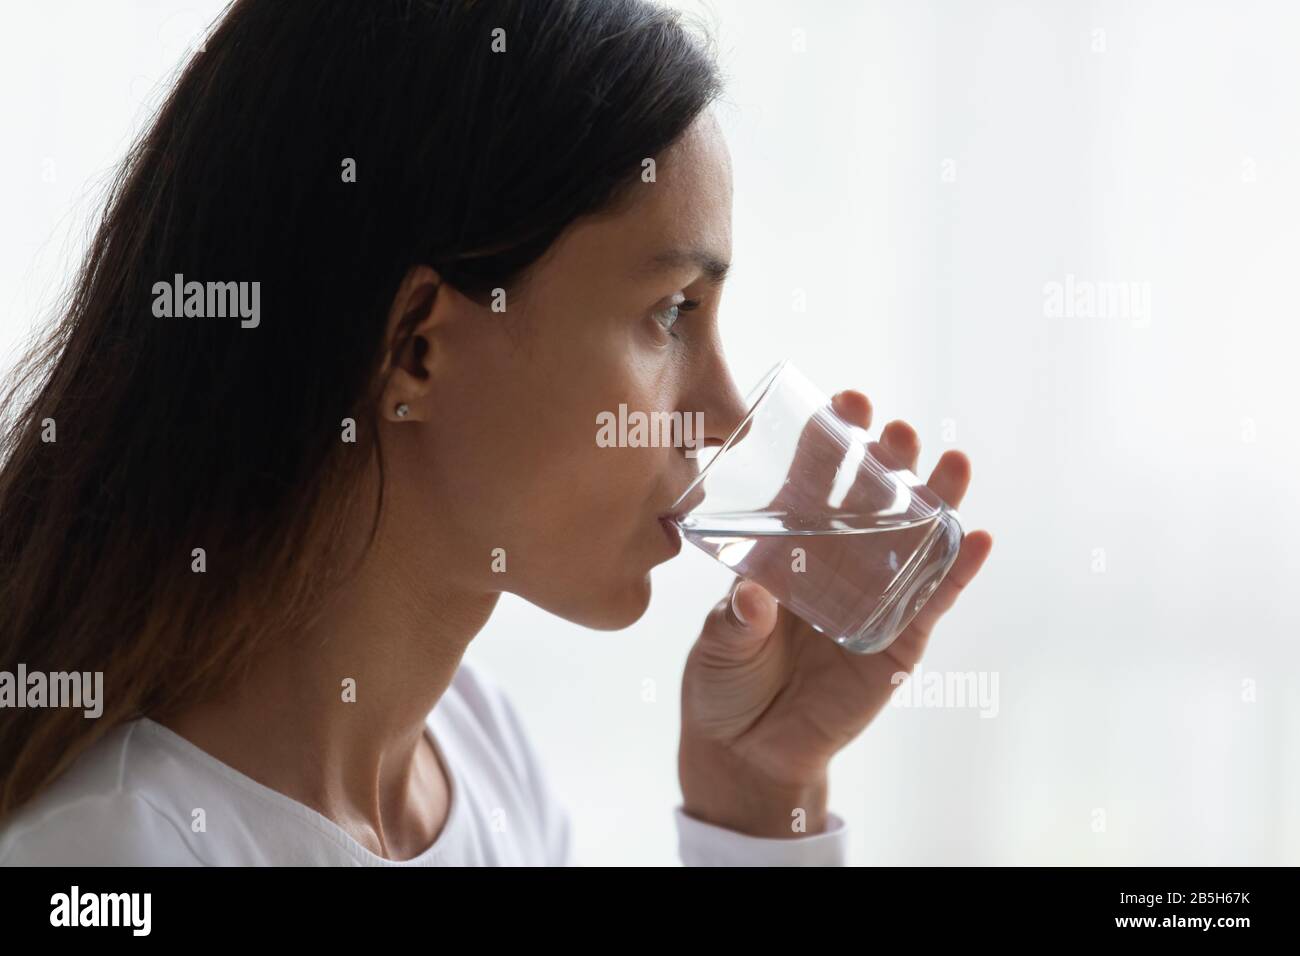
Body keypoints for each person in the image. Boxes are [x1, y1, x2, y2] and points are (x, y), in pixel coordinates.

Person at [0, 0, 992, 866]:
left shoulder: (481, 758)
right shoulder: (112, 854)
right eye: (671, 311)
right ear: (417, 349)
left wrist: (758, 796)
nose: (727, 419)